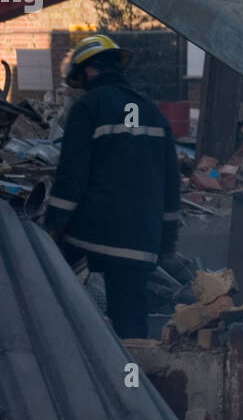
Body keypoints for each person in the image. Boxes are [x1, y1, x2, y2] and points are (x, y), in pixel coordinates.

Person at [45, 34, 181, 340]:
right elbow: (172, 185)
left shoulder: (89, 107)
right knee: (132, 325)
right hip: (142, 242)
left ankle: (74, 364)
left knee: (58, 298)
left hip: (92, 238)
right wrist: (166, 240)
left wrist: (52, 229)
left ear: (87, 71)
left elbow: (71, 177)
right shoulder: (153, 112)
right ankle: (135, 382)